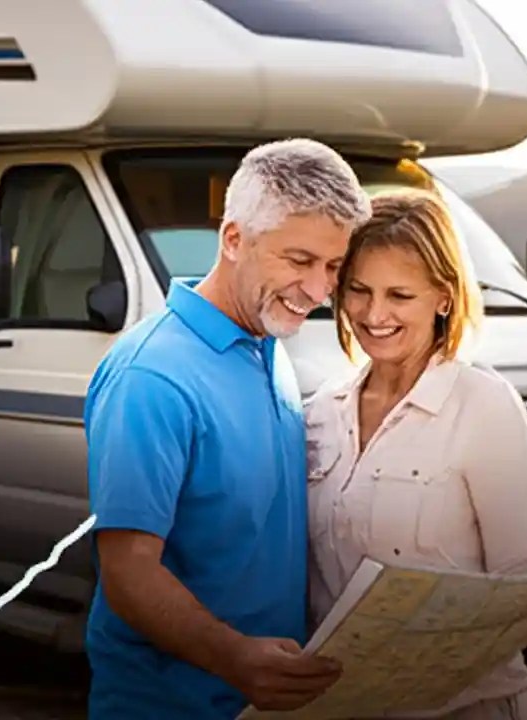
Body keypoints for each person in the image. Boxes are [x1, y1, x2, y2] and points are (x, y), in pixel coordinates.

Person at [82, 138, 373, 719]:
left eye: (334, 267)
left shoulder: (267, 345)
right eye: (299, 260)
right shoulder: (152, 377)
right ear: (233, 240)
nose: (319, 292)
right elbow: (128, 571)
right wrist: (237, 658)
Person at [304, 187, 527, 719]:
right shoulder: (320, 412)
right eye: (358, 290)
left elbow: (517, 563)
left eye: (399, 296)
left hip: (468, 707)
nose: (373, 314)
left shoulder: (484, 404)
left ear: (445, 297)